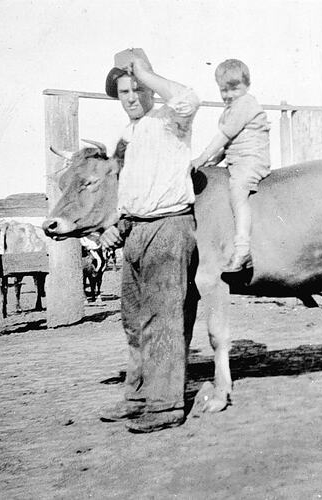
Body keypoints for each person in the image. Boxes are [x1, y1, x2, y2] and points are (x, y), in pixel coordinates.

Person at [98, 48, 200, 433]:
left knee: (163, 320)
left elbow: (188, 97)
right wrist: (116, 225)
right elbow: (129, 191)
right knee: (133, 321)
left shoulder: (170, 120)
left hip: (169, 226)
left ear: (151, 90)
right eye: (123, 91)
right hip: (136, 231)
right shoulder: (131, 134)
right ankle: (138, 397)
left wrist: (146, 72)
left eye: (136, 88)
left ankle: (163, 406)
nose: (129, 98)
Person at [191, 59, 271, 273]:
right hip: (236, 159)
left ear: (247, 85)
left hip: (251, 160)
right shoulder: (231, 108)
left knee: (238, 191)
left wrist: (202, 157)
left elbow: (224, 136)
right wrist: (211, 162)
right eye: (223, 90)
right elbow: (227, 146)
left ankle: (243, 248)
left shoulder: (245, 104)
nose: (228, 94)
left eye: (234, 88)